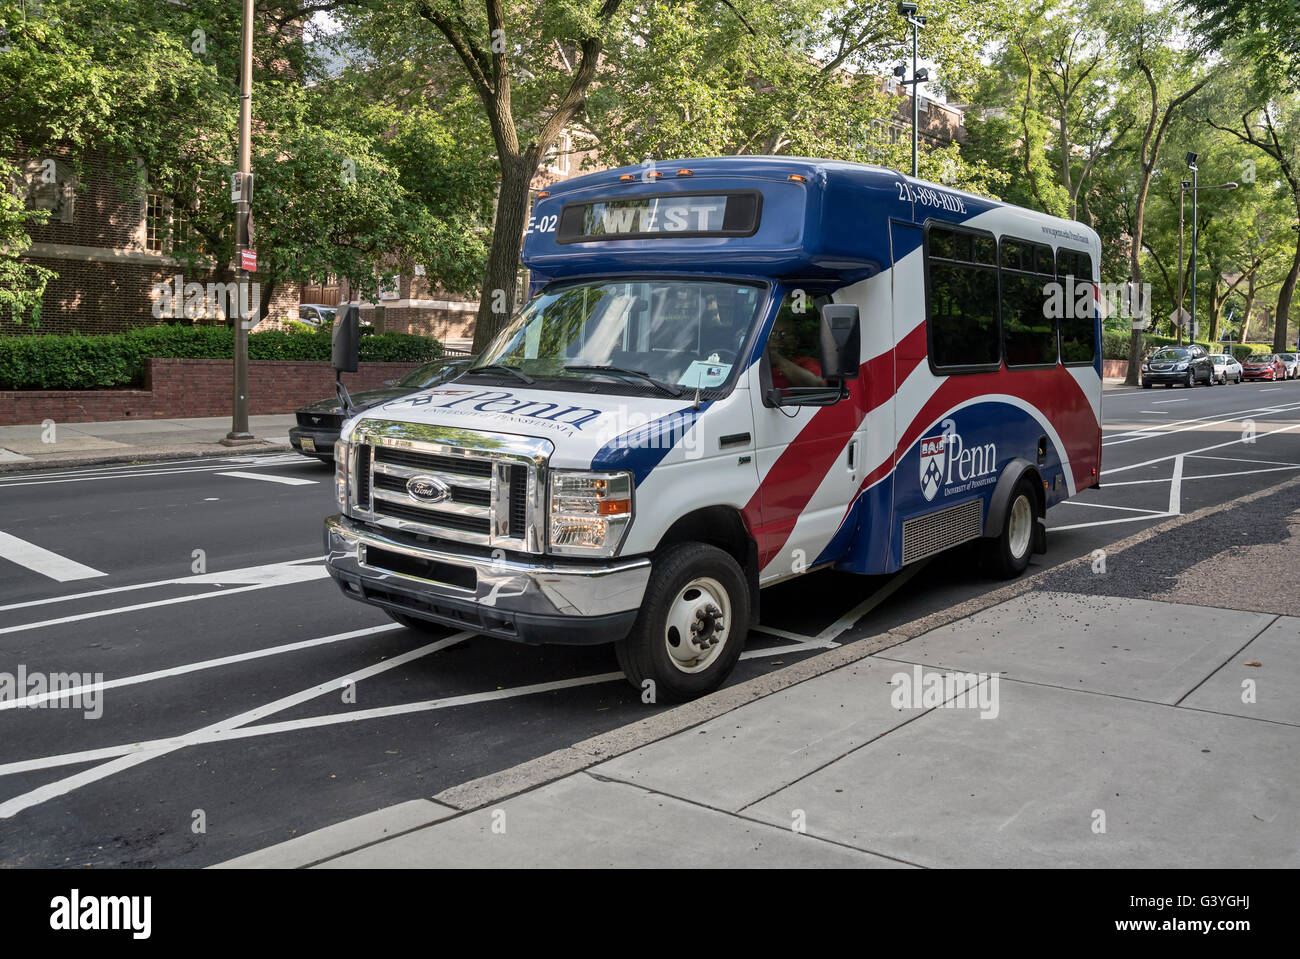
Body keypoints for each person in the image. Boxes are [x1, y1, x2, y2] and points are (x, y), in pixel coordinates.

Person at [768, 306, 825, 388]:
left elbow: (817, 385)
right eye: (773, 334)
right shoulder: (756, 363)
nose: (779, 338)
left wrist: (779, 361)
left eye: (785, 333)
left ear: (795, 340)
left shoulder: (806, 362)